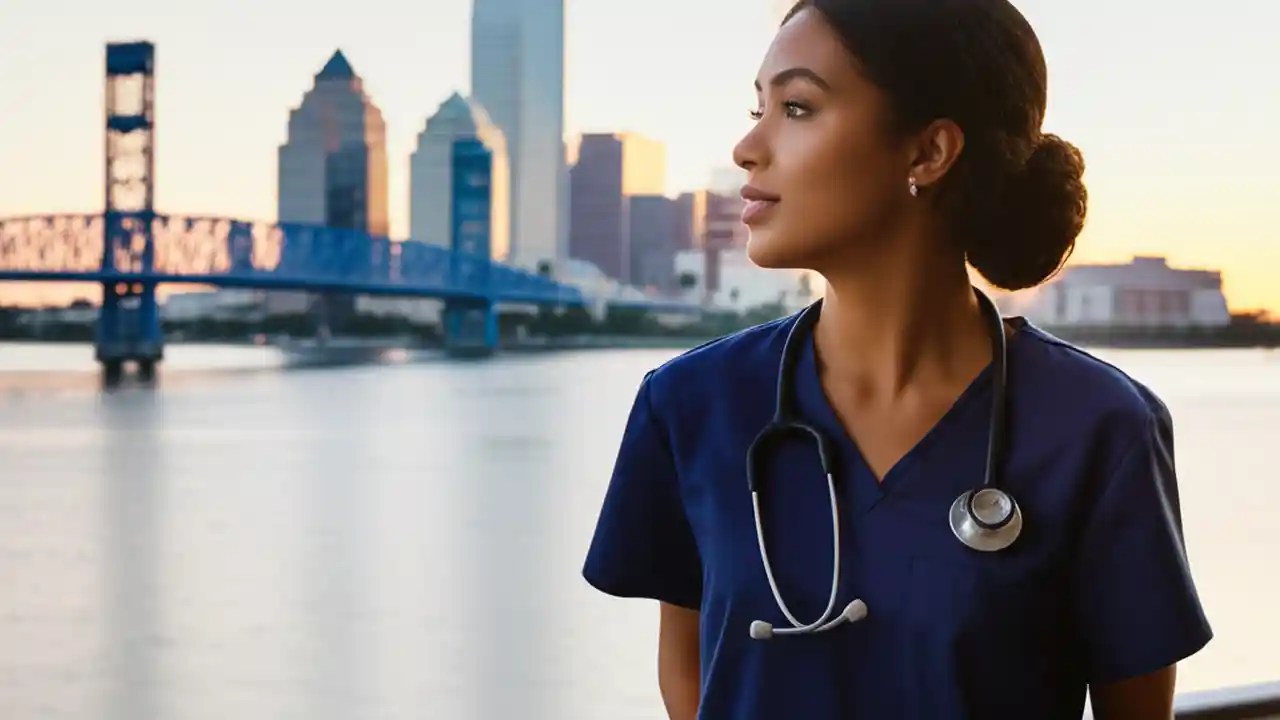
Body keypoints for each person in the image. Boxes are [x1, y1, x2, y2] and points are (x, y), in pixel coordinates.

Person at [581, 0, 1213, 717]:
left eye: (795, 108)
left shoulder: (1098, 428)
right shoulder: (690, 405)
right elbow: (692, 679)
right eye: (757, 107)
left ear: (928, 153)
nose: (747, 147)